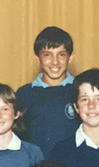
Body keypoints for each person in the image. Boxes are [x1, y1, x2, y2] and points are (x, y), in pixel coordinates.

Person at [16, 26, 80, 157]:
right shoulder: (24, 94)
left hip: (74, 166)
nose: (55, 62)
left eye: (61, 55)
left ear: (71, 57)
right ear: (37, 58)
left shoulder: (81, 90)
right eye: (47, 55)